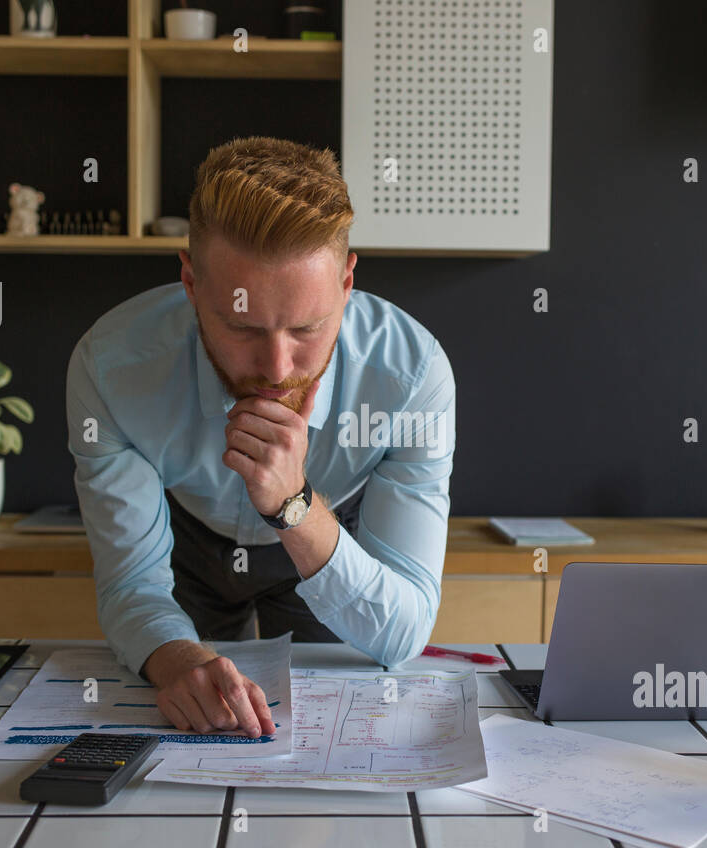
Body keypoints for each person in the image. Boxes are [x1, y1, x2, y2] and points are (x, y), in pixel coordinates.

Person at [66, 136, 457, 738]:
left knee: (322, 735)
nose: (277, 369)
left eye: (307, 327)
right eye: (242, 326)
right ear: (191, 282)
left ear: (348, 281)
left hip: (326, 530)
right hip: (184, 537)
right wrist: (177, 660)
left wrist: (295, 507)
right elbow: (132, 585)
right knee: (193, 709)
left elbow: (402, 633)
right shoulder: (111, 368)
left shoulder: (410, 378)